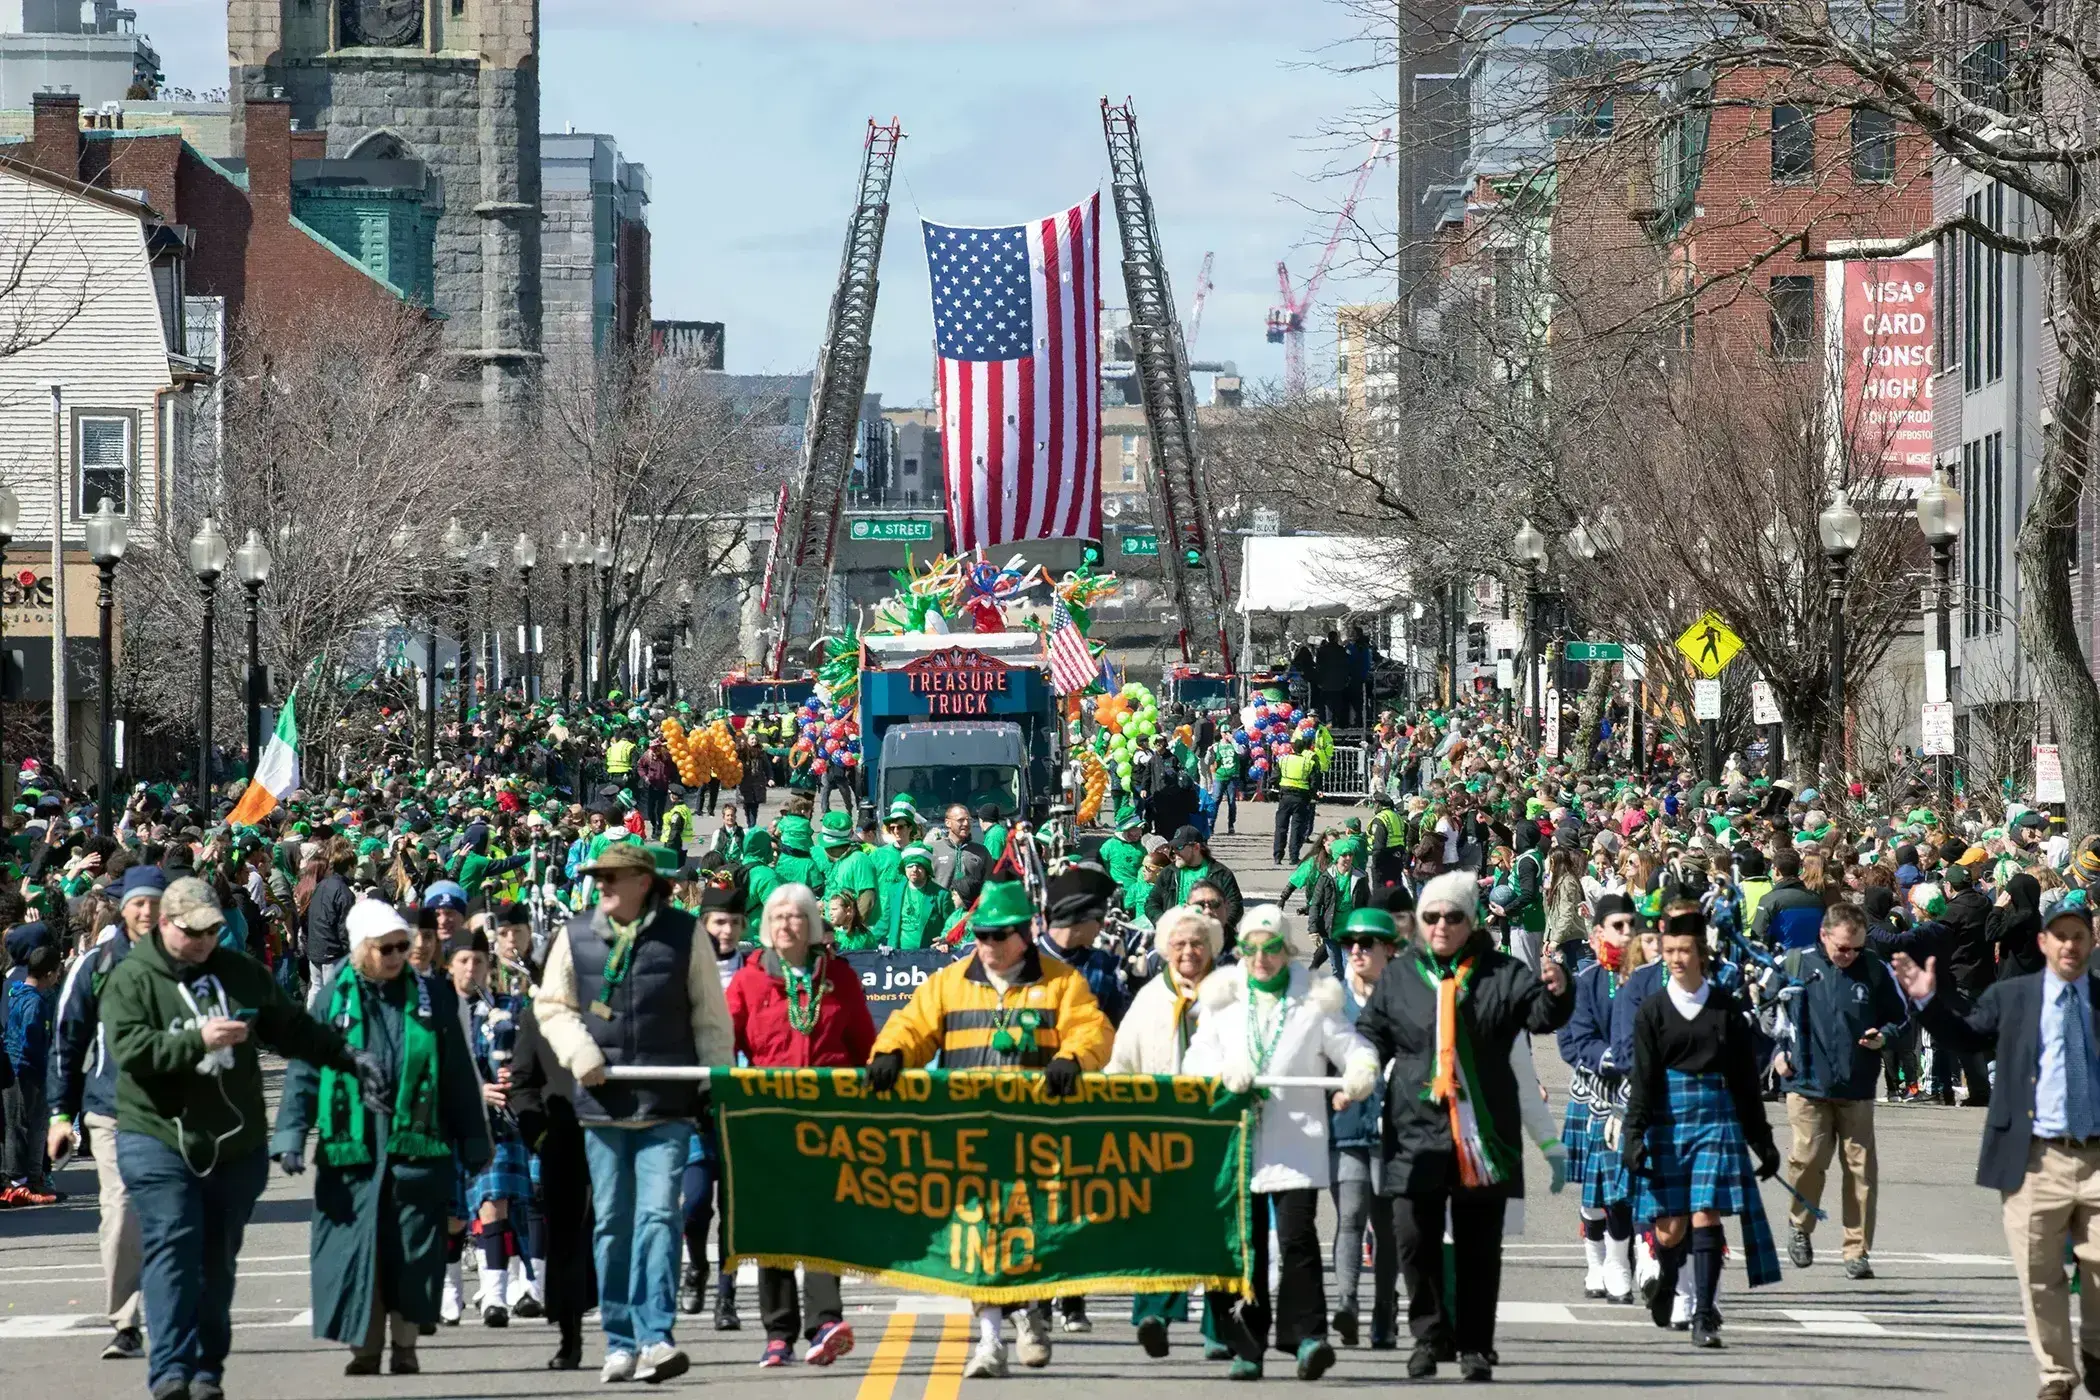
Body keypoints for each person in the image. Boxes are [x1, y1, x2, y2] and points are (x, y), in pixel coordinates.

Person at [101, 876, 379, 1400]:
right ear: (164, 924)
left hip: (234, 1141)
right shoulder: (133, 977)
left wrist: (349, 1057)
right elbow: (130, 1049)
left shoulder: (240, 973)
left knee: (217, 1258)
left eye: (212, 931)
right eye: (192, 932)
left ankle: (207, 1370)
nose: (204, 941)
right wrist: (194, 1040)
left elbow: (293, 1028)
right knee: (173, 1245)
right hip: (158, 1136)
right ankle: (170, 1373)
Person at [868, 878, 1114, 1379]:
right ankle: (990, 1341)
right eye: (981, 935)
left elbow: (1094, 1031)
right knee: (978, 1239)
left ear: (1024, 933)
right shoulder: (948, 982)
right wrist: (890, 1053)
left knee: (1028, 1233)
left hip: (1037, 1134)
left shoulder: (1062, 982)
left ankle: (1027, 1313)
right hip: (970, 1132)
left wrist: (1073, 1058)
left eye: (999, 936)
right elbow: (911, 1025)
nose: (988, 945)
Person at [1352, 871, 1573, 1382]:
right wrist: (1361, 1067)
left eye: (1453, 916)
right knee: (1413, 1239)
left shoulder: (1502, 971)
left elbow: (1540, 1017)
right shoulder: (1403, 974)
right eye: (1431, 916)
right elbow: (1372, 1033)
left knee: (1478, 1246)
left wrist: (1559, 990)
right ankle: (1430, 1337)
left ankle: (1475, 1343)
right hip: (1415, 1129)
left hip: (1484, 1134)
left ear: (1471, 920)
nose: (1442, 925)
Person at [533, 842, 736, 1386]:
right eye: (597, 877)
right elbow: (552, 1006)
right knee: (613, 1224)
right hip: (602, 1104)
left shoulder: (684, 934)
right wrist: (580, 1052)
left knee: (658, 1220)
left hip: (667, 1103)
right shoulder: (574, 935)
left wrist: (715, 1085)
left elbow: (710, 1017)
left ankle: (656, 1336)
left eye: (611, 877)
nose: (600, 885)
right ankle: (619, 1341)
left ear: (644, 881)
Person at [1892, 892, 2100, 1400]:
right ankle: (2056, 1374)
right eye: (2061, 936)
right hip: (2034, 1159)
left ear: (2092, 942)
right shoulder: (2015, 997)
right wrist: (1926, 1000)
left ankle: (2095, 1347)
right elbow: (1965, 1036)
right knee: (2039, 1273)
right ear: (2043, 942)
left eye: (2079, 936)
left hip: (2097, 1156)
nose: (2070, 946)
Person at [272, 901, 492, 1376]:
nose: (397, 955)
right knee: (356, 1250)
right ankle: (365, 1348)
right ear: (360, 951)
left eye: (402, 946)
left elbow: (457, 1074)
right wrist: (290, 1132)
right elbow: (306, 1070)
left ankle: (406, 1346)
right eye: (386, 948)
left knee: (412, 1250)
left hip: (417, 1151)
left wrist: (476, 1141)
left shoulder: (433, 997)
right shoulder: (334, 999)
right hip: (352, 1153)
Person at [1184, 904, 1378, 1381]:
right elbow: (1196, 1059)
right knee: (1247, 1248)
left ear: (1287, 951)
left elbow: (1353, 1048)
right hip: (1241, 1141)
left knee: (1297, 1240)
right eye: (1250, 948)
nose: (1260, 958)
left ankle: (1308, 1337)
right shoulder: (1222, 1001)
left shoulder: (1314, 1001)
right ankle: (1247, 1348)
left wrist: (1361, 1071)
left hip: (1297, 1141)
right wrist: (1222, 1072)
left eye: (1270, 948)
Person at [1621, 903, 1783, 1350]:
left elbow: (1746, 1082)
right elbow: (1644, 1079)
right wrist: (1634, 1135)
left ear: (1701, 954)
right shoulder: (1652, 1010)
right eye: (1670, 950)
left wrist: (1762, 1141)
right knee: (1670, 1229)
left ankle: (1705, 1314)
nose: (1675, 959)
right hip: (1667, 1121)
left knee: (1706, 1213)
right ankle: (1667, 1278)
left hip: (1715, 1118)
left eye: (1684, 951)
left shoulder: (1726, 1008)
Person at [726, 883, 875, 1366]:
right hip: (767, 1117)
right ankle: (778, 1331)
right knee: (773, 1225)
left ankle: (826, 1321)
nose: (786, 924)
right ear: (766, 928)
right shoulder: (748, 980)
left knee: (820, 1221)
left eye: (795, 916)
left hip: (828, 1117)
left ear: (811, 925)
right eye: (777, 917)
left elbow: (863, 1049)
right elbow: (722, 1042)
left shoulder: (842, 979)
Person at [44, 863, 162, 1361]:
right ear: (125, 906)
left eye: (157, 903)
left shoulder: (196, 963)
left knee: (179, 1217)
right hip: (111, 1112)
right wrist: (58, 1116)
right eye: (140, 902)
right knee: (120, 1214)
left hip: (179, 1116)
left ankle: (177, 1312)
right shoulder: (96, 964)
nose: (148, 912)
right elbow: (67, 1041)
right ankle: (125, 1322)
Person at [1105, 903, 1223, 1359]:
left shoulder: (1229, 993)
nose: (1189, 951)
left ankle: (1219, 1327)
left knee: (1217, 1231)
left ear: (1211, 947)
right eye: (1179, 944)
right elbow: (1123, 1062)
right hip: (1160, 1129)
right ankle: (1155, 1313)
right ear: (1165, 950)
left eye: (1197, 943)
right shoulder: (1152, 998)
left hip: (1218, 1129)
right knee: (1159, 1225)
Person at [1770, 900, 1908, 1280]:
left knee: (1861, 1170)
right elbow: (1766, 1011)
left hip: (1857, 1085)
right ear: (1824, 935)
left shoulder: (1876, 971)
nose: (1849, 955)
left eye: (1856, 948)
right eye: (1842, 948)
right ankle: (1800, 1227)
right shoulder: (1795, 965)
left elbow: (1902, 1018)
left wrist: (1886, 1036)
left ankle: (1857, 1250)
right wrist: (1776, 1053)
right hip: (1806, 1082)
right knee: (1809, 1160)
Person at [1555, 893, 1641, 1305]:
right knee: (1594, 1196)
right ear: (1596, 935)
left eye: (1631, 926)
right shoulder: (1584, 982)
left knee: (1624, 1188)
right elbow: (1571, 1044)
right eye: (1618, 927)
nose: (1626, 935)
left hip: (1637, 1096)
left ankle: (1621, 1262)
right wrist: (1609, 1059)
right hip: (1595, 1096)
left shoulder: (1649, 978)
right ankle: (1595, 1261)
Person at [1326, 906, 1403, 1349]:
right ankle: (1347, 1306)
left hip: (1395, 1127)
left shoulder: (1408, 998)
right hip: (1348, 1124)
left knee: (1388, 1223)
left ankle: (1384, 1313)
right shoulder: (1330, 1001)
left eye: (1366, 943)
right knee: (1350, 1215)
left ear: (1388, 950)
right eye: (1349, 943)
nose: (1355, 950)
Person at [1145, 827, 1244, 938]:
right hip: (1174, 937)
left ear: (1196, 847)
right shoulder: (1169, 873)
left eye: (1179, 847)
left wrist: (1220, 929)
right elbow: (1151, 903)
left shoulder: (1220, 873)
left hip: (1211, 939)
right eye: (1173, 847)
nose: (1174, 852)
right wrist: (1164, 923)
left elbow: (1236, 906)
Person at [1273, 742, 1319, 868]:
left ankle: (1277, 856)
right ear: (1304, 749)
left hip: (1285, 796)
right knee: (1297, 828)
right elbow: (1314, 783)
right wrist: (1311, 795)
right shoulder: (1309, 763)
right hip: (1301, 798)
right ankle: (1294, 857)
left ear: (1292, 748)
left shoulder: (1283, 760)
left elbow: (1273, 778)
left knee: (1281, 827)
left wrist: (1281, 788)